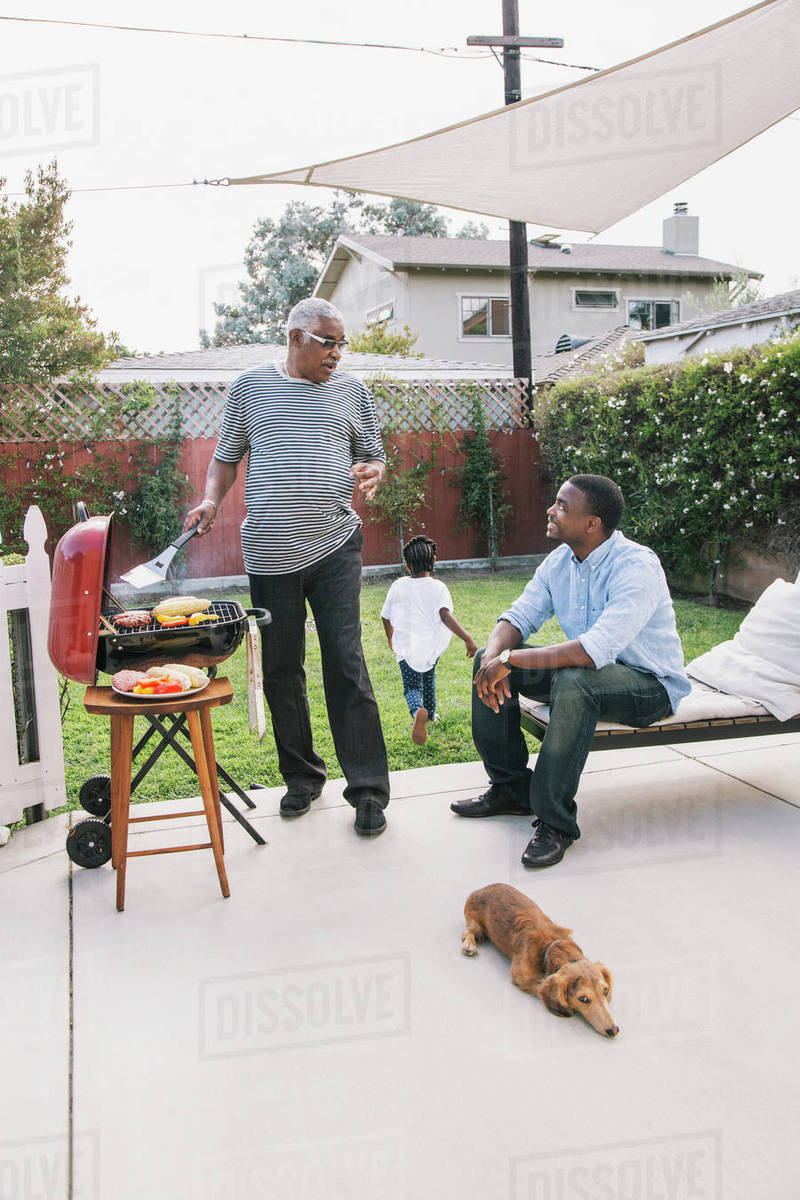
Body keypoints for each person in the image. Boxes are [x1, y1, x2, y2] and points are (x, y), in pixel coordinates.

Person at [183, 297, 390, 837]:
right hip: (271, 554)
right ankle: (302, 777)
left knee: (346, 661)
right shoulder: (251, 388)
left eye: (343, 343)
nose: (338, 353)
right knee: (281, 668)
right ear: (296, 337)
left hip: (335, 545)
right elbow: (227, 459)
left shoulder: (353, 392)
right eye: (329, 341)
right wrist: (210, 500)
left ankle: (368, 789)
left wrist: (373, 473)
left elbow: (372, 453)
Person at [451, 474, 691, 868]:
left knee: (574, 679)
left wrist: (509, 660)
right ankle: (511, 789)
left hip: (648, 685)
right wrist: (494, 654)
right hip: (589, 672)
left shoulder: (637, 566)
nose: (550, 510)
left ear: (592, 523)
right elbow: (520, 615)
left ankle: (555, 821)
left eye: (562, 505)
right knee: (487, 660)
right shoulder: (561, 560)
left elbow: (591, 652)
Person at [381, 535, 477, 745]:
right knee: (429, 678)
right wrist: (466, 637)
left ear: (407, 564)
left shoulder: (398, 585)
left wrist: (390, 637)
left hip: (406, 647)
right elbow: (445, 615)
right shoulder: (438, 587)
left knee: (411, 687)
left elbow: (385, 616)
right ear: (434, 561)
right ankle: (431, 714)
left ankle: (418, 712)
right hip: (430, 647)